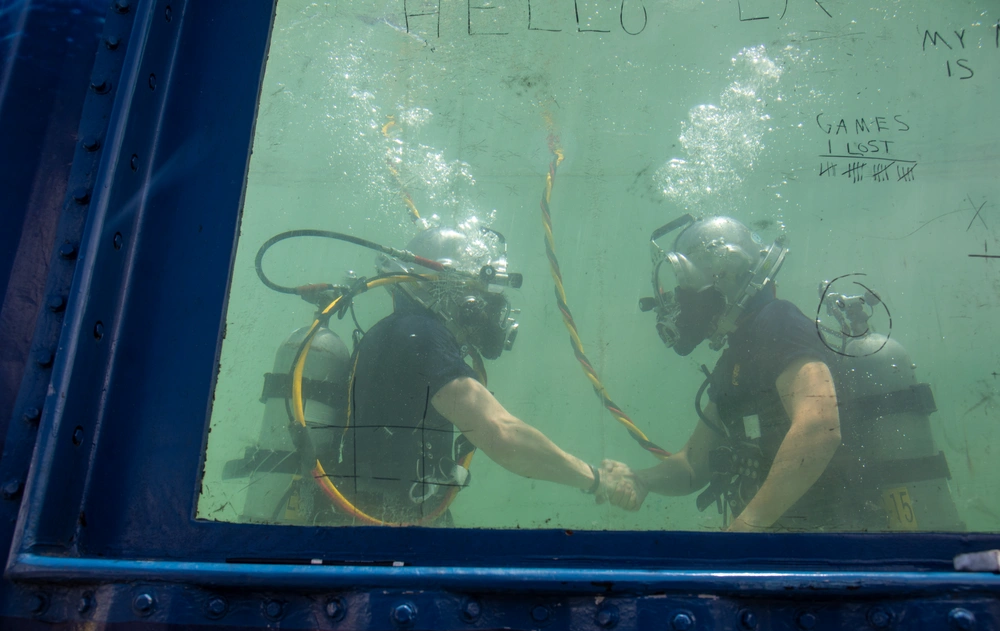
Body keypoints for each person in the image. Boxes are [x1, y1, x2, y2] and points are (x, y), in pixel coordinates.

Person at [602, 214, 964, 532]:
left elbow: (818, 429)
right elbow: (693, 466)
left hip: (833, 546)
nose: (677, 303)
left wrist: (746, 528)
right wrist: (642, 480)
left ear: (722, 280)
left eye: (685, 289)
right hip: (793, 546)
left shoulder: (778, 324)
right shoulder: (737, 357)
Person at [324, 224, 617, 525]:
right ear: (457, 290)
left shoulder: (404, 331)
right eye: (484, 295)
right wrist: (595, 479)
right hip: (381, 531)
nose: (492, 312)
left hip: (384, 521)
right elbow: (502, 434)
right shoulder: (421, 336)